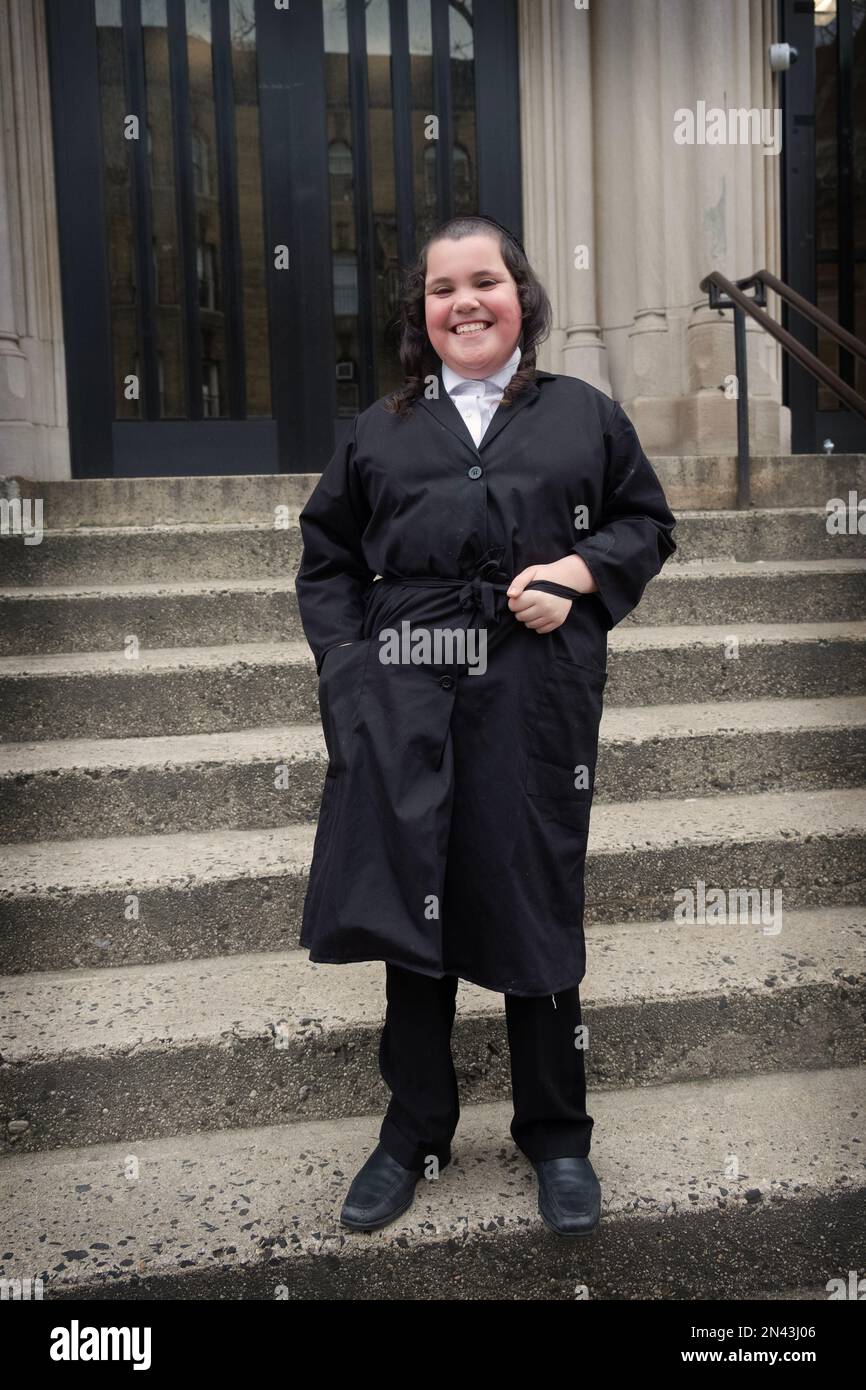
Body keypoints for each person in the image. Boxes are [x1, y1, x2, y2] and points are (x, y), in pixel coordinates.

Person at [294, 214, 677, 1237]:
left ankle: (555, 1133)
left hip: (531, 686)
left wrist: (581, 573)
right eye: (440, 288)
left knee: (530, 892)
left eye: (484, 281)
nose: (463, 301)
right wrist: (343, 666)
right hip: (405, 678)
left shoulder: (583, 415)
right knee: (406, 895)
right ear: (419, 312)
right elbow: (326, 556)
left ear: (522, 296)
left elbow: (646, 521)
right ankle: (413, 1127)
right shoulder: (380, 425)